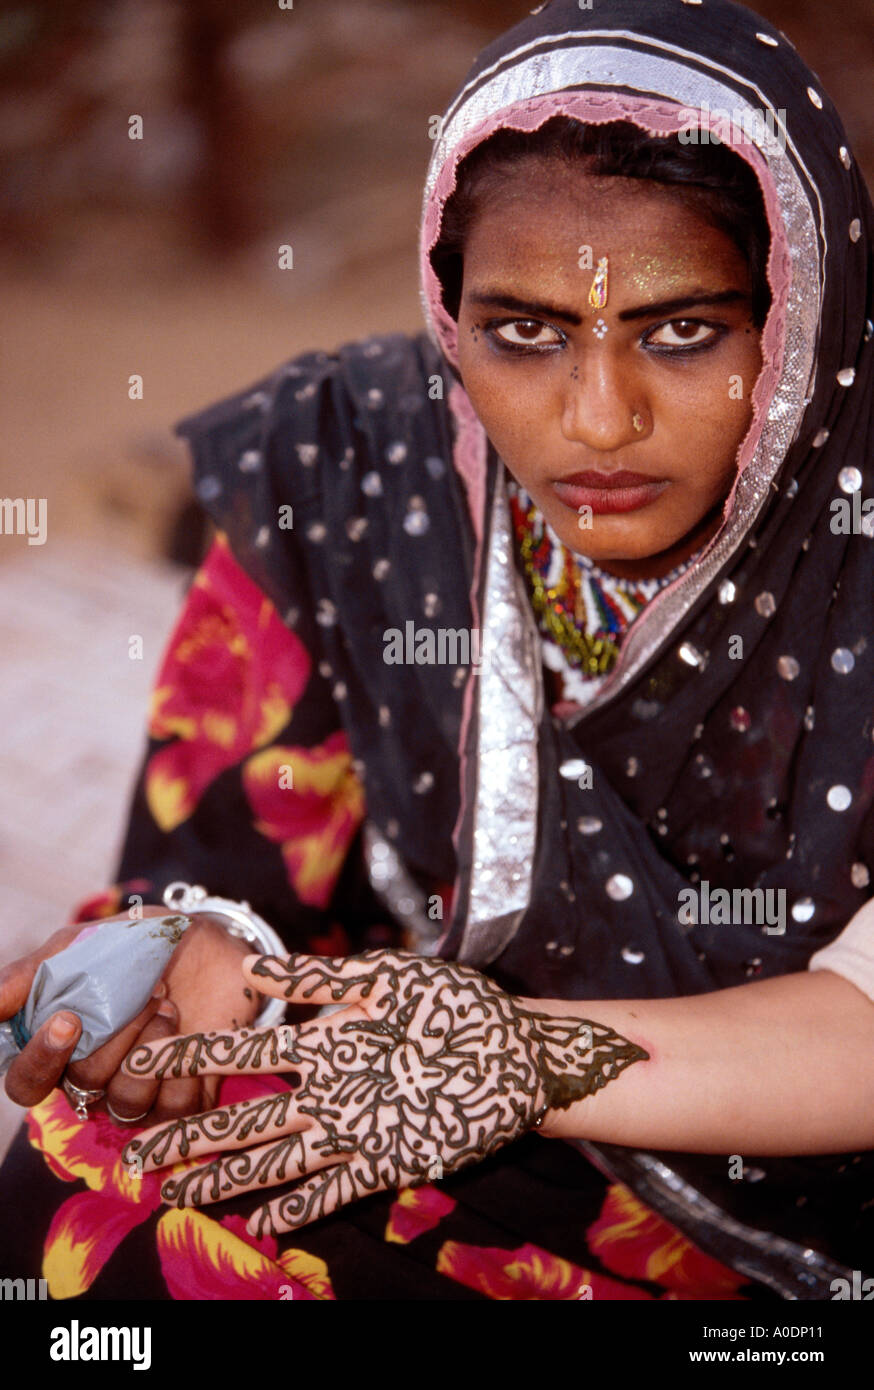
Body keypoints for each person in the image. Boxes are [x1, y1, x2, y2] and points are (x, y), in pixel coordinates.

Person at [1, 0, 873, 1301]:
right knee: (97, 1193)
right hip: (408, 1077)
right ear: (446, 312)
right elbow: (226, 865)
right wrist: (175, 965)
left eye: (681, 330)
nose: (597, 418)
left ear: (798, 317)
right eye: (521, 331)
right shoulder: (355, 464)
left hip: (783, 1180)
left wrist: (510, 1055)